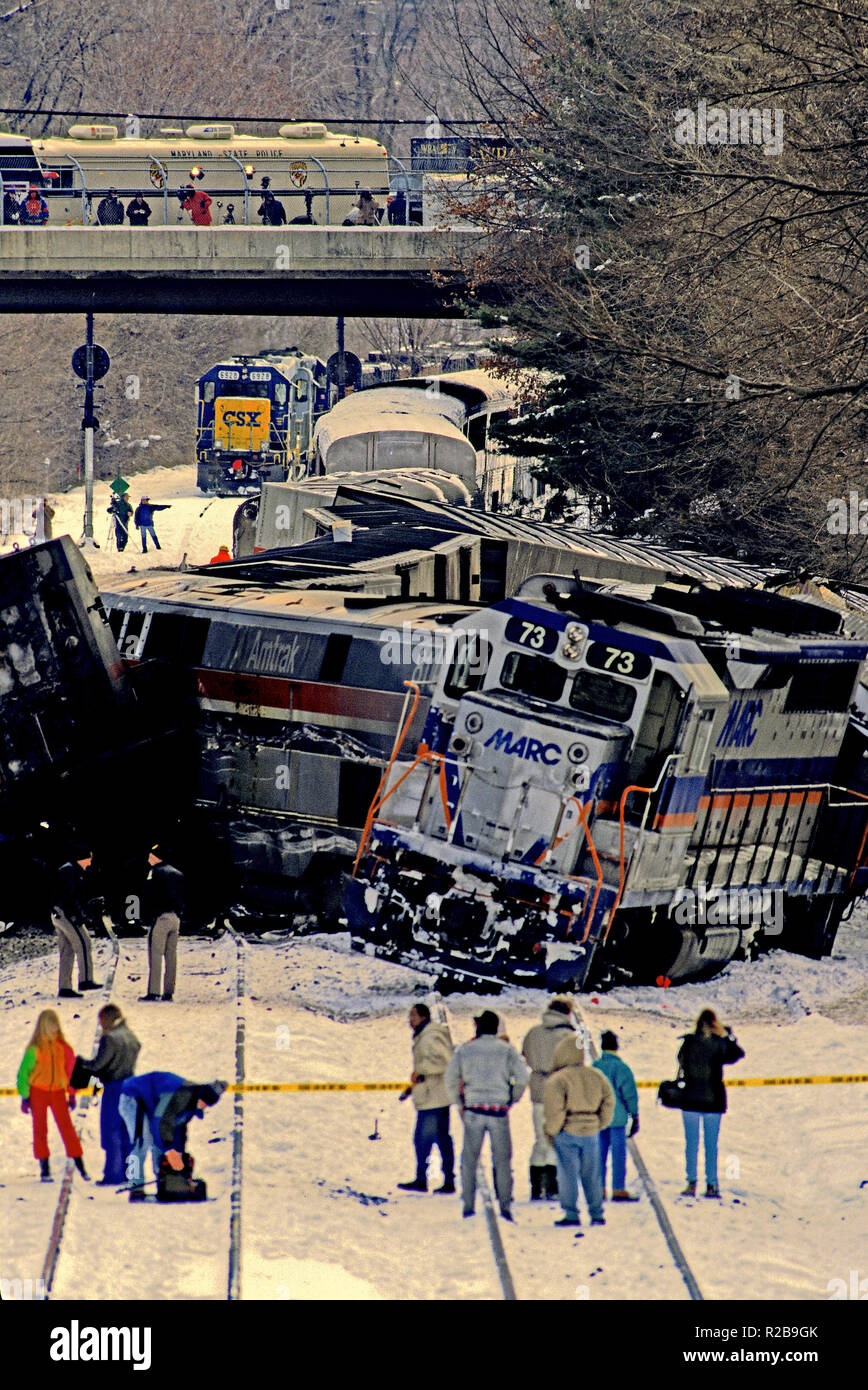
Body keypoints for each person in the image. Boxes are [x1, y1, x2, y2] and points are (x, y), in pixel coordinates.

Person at [444, 1009, 529, 1221]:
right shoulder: (507, 1050)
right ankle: (505, 1205)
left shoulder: (465, 1050)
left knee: (470, 1159)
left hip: (473, 1110)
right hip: (499, 1111)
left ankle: (469, 1204)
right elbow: (521, 1078)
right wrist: (511, 1099)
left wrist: (460, 1102)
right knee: (501, 1160)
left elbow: (451, 1079)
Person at [544, 1032, 614, 1229]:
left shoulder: (558, 1079)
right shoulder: (596, 1076)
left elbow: (554, 1110)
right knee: (592, 1173)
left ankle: (571, 1213)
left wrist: (552, 1131)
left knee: (567, 1174)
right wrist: (600, 1123)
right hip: (591, 1131)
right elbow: (609, 1101)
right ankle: (597, 1213)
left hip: (567, 1131)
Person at [118, 1073, 227, 1197]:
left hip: (151, 1104)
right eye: (204, 1102)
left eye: (207, 1105)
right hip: (133, 1097)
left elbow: (179, 1129)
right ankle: (135, 1187)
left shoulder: (191, 1103)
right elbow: (160, 1122)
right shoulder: (179, 1095)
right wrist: (169, 1151)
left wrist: (178, 1152)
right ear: (200, 1096)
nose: (204, 1106)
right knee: (142, 1143)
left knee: (161, 1144)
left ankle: (165, 1183)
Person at [677, 1009, 745, 1198]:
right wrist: (728, 1036)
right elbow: (737, 1054)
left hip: (690, 1099)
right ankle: (711, 1184)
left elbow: (680, 1060)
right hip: (713, 1101)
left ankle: (691, 1183)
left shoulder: (689, 1042)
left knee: (691, 1144)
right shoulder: (719, 1044)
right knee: (710, 1145)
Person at [17, 1010, 89, 1182]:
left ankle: (81, 1165)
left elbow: (70, 1073)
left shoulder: (63, 1048)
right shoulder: (34, 1050)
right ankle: (45, 1169)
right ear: (43, 1026)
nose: (54, 1028)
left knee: (67, 1128)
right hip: (38, 1092)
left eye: (56, 1024)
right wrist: (25, 1096)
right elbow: (23, 1074)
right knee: (40, 1129)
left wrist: (71, 1094)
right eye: (50, 1024)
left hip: (57, 1092)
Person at [76, 1004, 141, 1185]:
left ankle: (113, 1174)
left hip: (114, 1086)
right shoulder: (129, 1035)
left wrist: (82, 1064)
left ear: (107, 1018)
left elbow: (98, 1064)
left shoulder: (110, 1038)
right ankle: (131, 1173)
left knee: (111, 1131)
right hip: (131, 1085)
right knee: (127, 1131)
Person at [521, 997, 576, 1200]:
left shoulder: (533, 1033)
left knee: (540, 1139)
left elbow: (525, 1056)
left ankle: (537, 1186)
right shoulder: (570, 1036)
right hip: (560, 1093)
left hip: (538, 1092)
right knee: (556, 1139)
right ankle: (553, 1185)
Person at [397, 1003, 455, 1195]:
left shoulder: (431, 1036)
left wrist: (422, 1072)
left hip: (433, 1097)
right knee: (441, 1138)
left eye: (412, 1016)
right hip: (434, 1095)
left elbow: (445, 1061)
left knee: (423, 1139)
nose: (409, 1021)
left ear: (423, 1017)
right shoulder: (427, 1035)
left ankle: (423, 1179)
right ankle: (447, 1180)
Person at [593, 1030, 640, 1202]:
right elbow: (629, 1094)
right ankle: (618, 1189)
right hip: (618, 1118)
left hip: (599, 1118)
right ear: (616, 1046)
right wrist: (634, 1114)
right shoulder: (622, 1068)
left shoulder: (595, 1067)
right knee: (618, 1155)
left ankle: (599, 1189)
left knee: (599, 1155)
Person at [50, 850, 102, 998]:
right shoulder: (71, 871)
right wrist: (79, 915)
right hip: (66, 913)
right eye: (89, 859)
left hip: (58, 912)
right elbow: (69, 895)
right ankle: (86, 980)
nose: (90, 863)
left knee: (67, 950)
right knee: (84, 943)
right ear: (82, 859)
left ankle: (65, 987)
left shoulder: (68, 869)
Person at [139, 845, 185, 1001]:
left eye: (151, 855)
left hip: (161, 918)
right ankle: (169, 991)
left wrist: (148, 916)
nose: (148, 858)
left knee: (156, 955)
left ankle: (153, 991)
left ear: (157, 857)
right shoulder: (177, 873)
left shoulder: (155, 872)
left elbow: (149, 895)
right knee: (171, 956)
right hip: (175, 918)